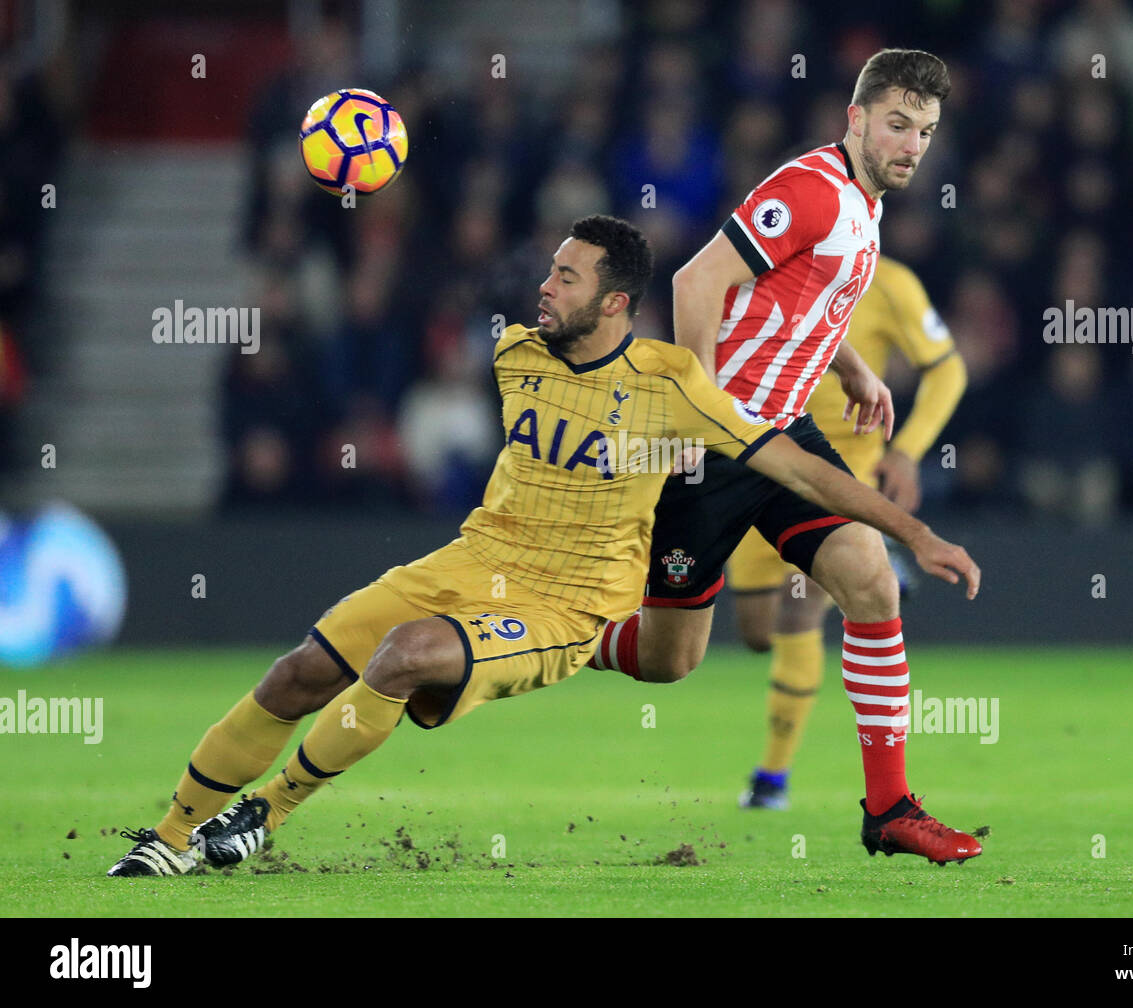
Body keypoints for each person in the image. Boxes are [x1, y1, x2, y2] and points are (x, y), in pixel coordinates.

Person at [107, 215, 978, 877]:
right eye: (549, 272)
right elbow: (430, 291)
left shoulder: (676, 390)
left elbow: (799, 463)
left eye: (565, 277)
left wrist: (911, 529)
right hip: (463, 562)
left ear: (614, 304)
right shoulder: (516, 354)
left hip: (567, 604)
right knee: (299, 671)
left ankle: (266, 813)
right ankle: (172, 837)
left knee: (404, 657)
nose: (544, 288)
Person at [584, 49, 982, 864]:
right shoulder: (810, 189)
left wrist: (855, 366)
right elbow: (698, 283)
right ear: (856, 119)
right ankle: (548, 637)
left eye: (926, 132)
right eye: (898, 125)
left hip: (783, 433)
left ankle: (890, 808)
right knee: (671, 660)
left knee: (870, 579)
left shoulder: (864, 208)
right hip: (718, 439)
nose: (912, 145)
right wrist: (701, 412)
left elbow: (802, 299)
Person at [728, 255, 967, 810]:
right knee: (756, 634)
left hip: (841, 473)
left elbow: (948, 368)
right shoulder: (753, 270)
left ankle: (771, 778)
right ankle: (880, 565)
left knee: (799, 614)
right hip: (756, 466)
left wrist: (906, 450)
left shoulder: (890, 283)